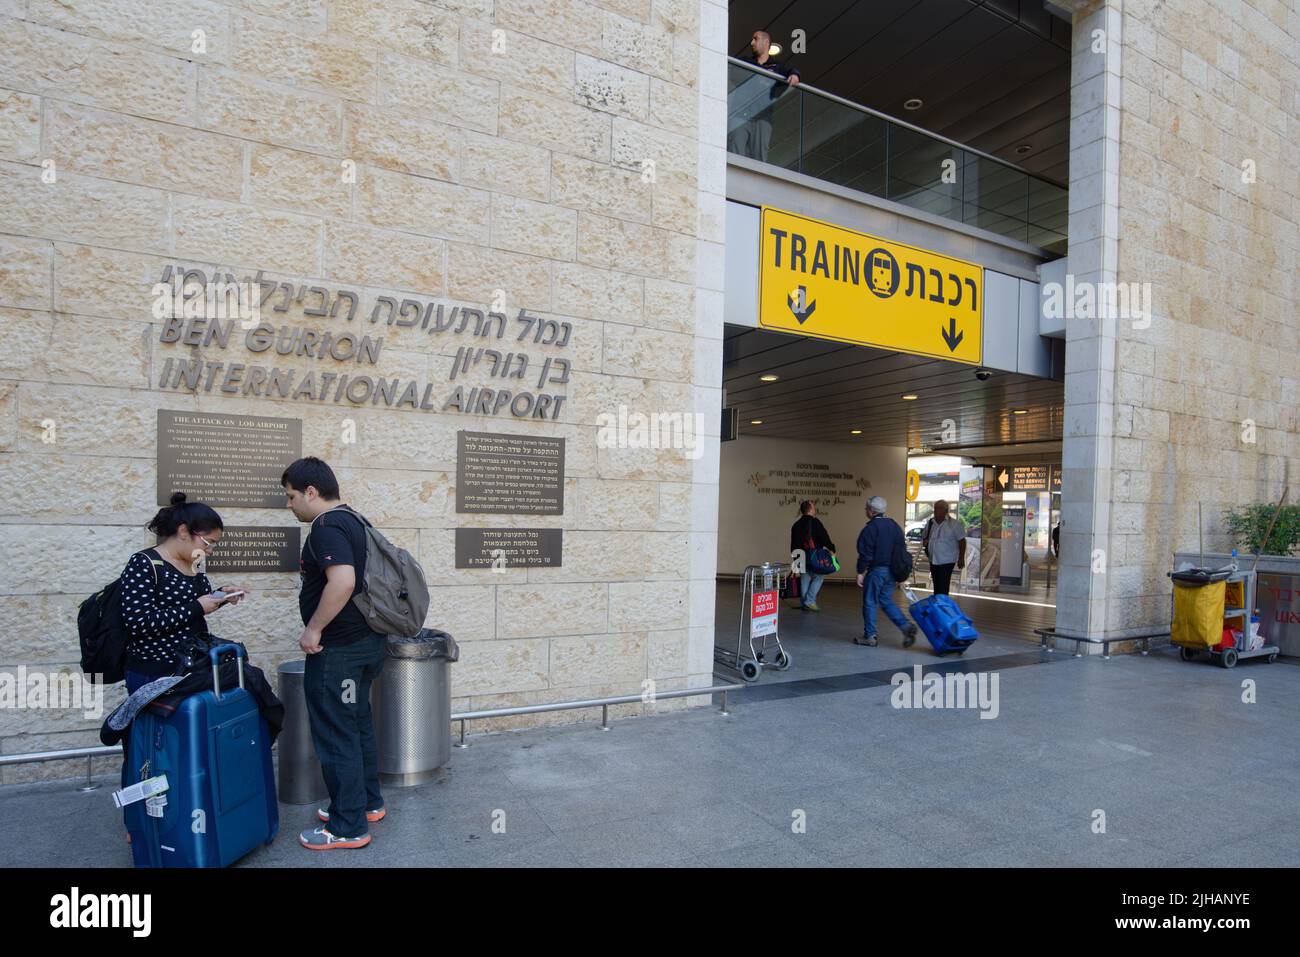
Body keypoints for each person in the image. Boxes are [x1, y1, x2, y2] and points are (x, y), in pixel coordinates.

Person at [283, 456, 388, 852]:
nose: (289, 504)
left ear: (311, 491)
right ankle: (367, 804)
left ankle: (347, 827)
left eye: (291, 496)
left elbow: (342, 581)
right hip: (368, 643)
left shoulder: (325, 527)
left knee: (336, 733)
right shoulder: (356, 520)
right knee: (358, 722)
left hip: (339, 650)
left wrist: (313, 629)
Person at [121, 493, 245, 694]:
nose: (210, 550)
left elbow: (196, 603)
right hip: (155, 672)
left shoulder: (193, 563)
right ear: (183, 531)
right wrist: (197, 607)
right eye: (208, 542)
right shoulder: (144, 563)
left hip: (191, 667)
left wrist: (221, 595)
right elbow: (138, 622)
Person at [854, 496, 918, 648]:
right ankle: (906, 626)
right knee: (886, 601)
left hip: (877, 571)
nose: (865, 511)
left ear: (871, 511)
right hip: (892, 572)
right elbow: (901, 549)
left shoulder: (870, 529)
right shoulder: (895, 526)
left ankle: (870, 636)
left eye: (866, 508)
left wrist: (860, 572)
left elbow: (866, 554)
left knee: (870, 602)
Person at [728, 28, 800, 162]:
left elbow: (792, 71)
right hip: (740, 115)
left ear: (766, 42)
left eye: (756, 39)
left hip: (763, 118)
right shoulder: (746, 62)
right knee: (735, 152)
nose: (752, 43)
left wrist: (795, 74)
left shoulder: (777, 66)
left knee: (759, 158)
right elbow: (730, 69)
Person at [790, 500, 835, 612]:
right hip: (813, 555)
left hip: (800, 556)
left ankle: (805, 603)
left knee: (805, 579)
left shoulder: (796, 525)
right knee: (818, 577)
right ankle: (809, 601)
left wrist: (795, 560)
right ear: (810, 509)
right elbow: (824, 537)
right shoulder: (815, 522)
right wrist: (831, 548)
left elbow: (793, 544)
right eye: (814, 507)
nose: (815, 509)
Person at [920, 499, 966, 597]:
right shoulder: (930, 523)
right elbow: (924, 536)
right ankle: (938, 604)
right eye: (935, 508)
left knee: (943, 586)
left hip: (947, 560)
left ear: (946, 511)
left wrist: (961, 558)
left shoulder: (954, 524)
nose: (936, 510)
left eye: (939, 508)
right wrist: (925, 541)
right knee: (937, 586)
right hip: (933, 559)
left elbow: (962, 541)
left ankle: (943, 605)